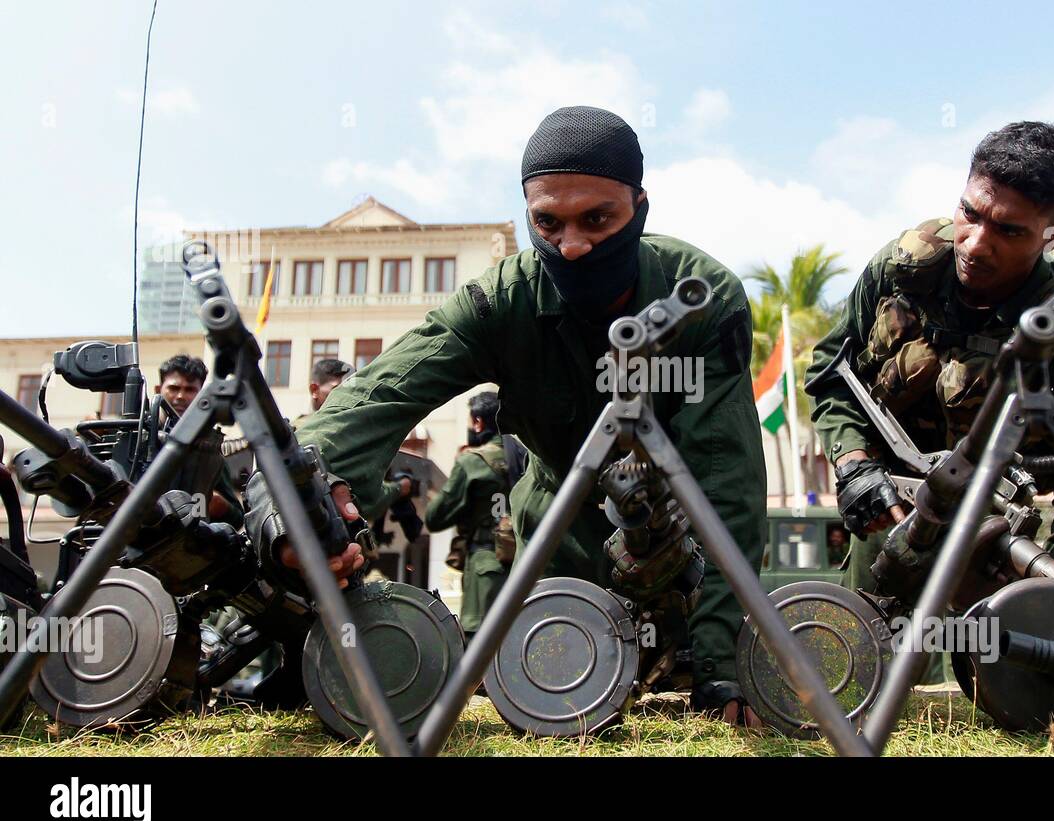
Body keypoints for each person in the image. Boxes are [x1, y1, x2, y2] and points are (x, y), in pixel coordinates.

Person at [291, 105, 766, 725]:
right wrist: (296, 492)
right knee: (563, 707)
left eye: (598, 219)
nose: (571, 247)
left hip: (676, 530)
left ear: (641, 207)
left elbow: (725, 479)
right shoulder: (498, 303)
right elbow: (375, 399)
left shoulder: (701, 297)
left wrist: (720, 666)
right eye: (548, 223)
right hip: (554, 530)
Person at [804, 120, 1054, 593]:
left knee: (1016, 655)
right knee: (866, 655)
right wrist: (854, 465)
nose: (977, 244)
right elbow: (831, 373)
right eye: (971, 213)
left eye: (1008, 230)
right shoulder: (903, 270)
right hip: (891, 513)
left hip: (998, 542)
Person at [424, 392, 510, 640]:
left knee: (479, 644)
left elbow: (435, 516)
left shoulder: (472, 462)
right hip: (528, 562)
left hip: (486, 565)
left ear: (478, 422)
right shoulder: (527, 458)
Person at [156, 354, 243, 528]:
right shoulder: (137, 436)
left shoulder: (206, 448)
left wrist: (215, 505)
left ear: (201, 395)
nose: (180, 396)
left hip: (187, 542)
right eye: (173, 388)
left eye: (189, 390)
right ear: (158, 389)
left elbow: (236, 517)